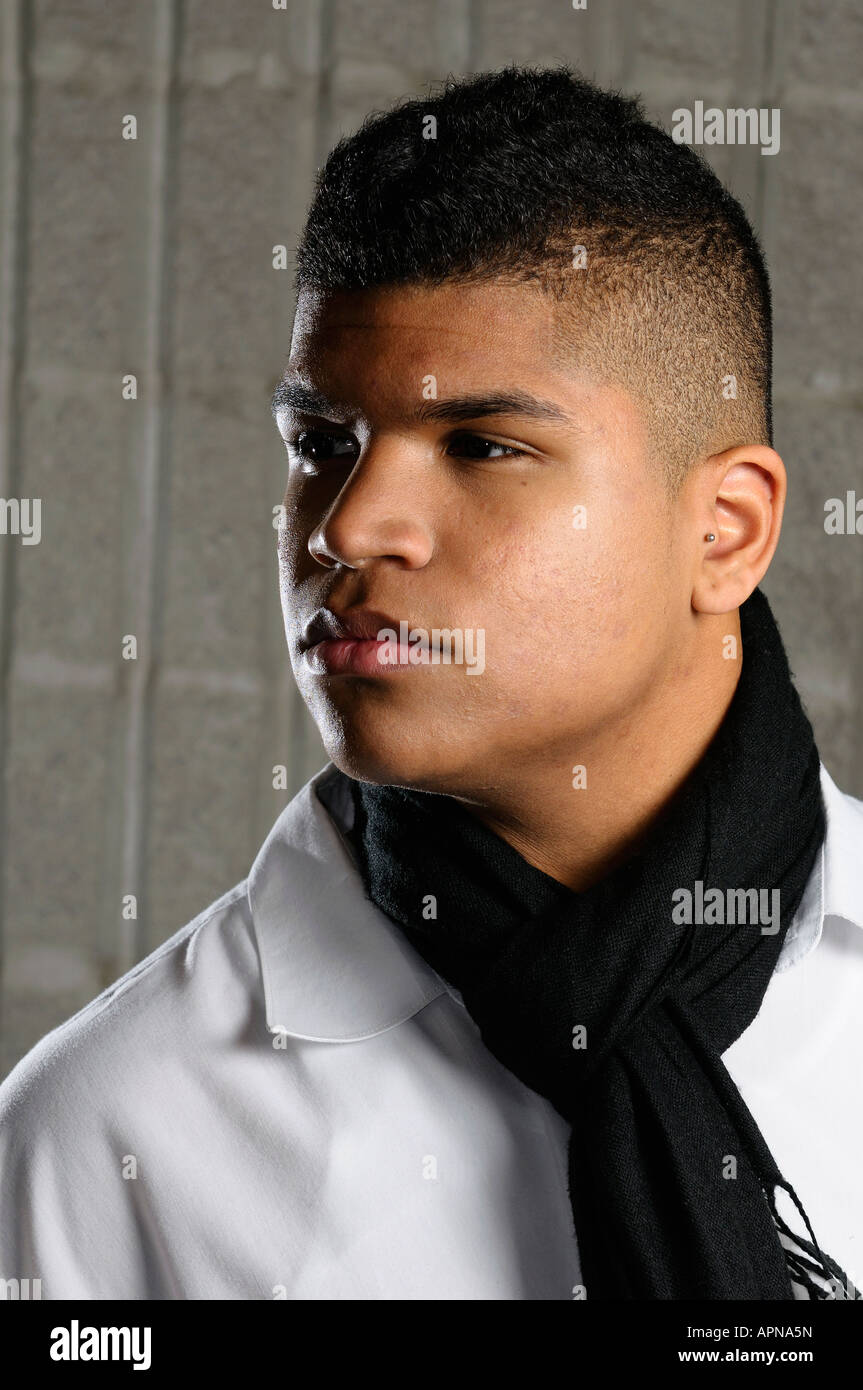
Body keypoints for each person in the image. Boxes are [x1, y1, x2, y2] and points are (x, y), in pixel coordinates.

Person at [1, 64, 861, 1302]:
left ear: (722, 530)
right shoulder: (108, 1135)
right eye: (321, 444)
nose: (346, 528)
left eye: (480, 445)